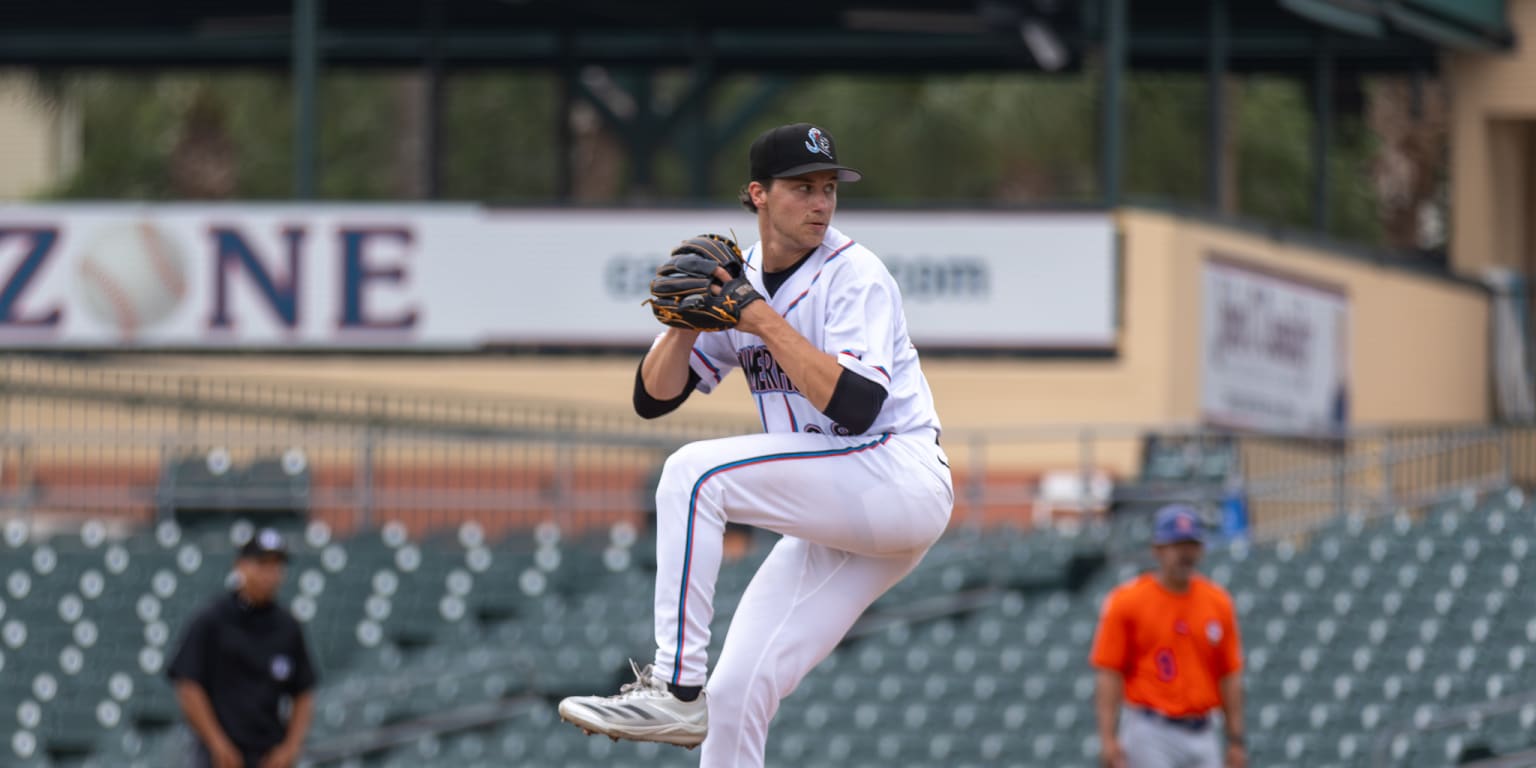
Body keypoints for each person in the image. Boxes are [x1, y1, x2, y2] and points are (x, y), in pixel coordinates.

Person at [559, 122, 954, 767]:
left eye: (829, 188)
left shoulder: (855, 275)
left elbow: (857, 407)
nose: (820, 202)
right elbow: (653, 397)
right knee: (738, 692)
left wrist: (756, 317)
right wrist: (685, 325)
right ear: (758, 195)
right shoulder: (738, 281)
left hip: (896, 473)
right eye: (802, 188)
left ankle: (675, 686)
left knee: (693, 474)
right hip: (837, 508)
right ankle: (700, 698)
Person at [1090, 505, 1246, 768]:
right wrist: (1108, 738)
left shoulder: (1218, 602)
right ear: (1157, 549)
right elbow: (1109, 672)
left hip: (1204, 728)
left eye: (1190, 544)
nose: (1184, 553)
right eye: (1177, 545)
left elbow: (1229, 675)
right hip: (1152, 729)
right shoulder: (1127, 601)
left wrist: (1235, 741)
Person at [167, 528, 316, 768]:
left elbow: (304, 692)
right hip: (219, 757)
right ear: (240, 566)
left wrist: (290, 748)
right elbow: (188, 686)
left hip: (268, 755)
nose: (270, 574)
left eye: (276, 566)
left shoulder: (288, 627)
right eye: (262, 564)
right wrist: (217, 743)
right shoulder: (212, 620)